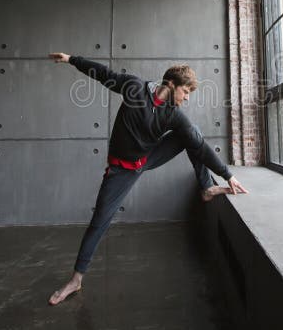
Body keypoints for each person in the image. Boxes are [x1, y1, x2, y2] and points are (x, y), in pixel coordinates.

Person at [47, 52, 248, 306]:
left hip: (147, 158)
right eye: (186, 91)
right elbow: (102, 74)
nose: (186, 98)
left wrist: (227, 175)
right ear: (171, 84)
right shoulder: (134, 88)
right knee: (99, 221)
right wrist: (71, 59)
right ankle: (75, 280)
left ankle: (207, 188)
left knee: (192, 134)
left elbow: (201, 147)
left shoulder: (173, 114)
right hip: (122, 171)